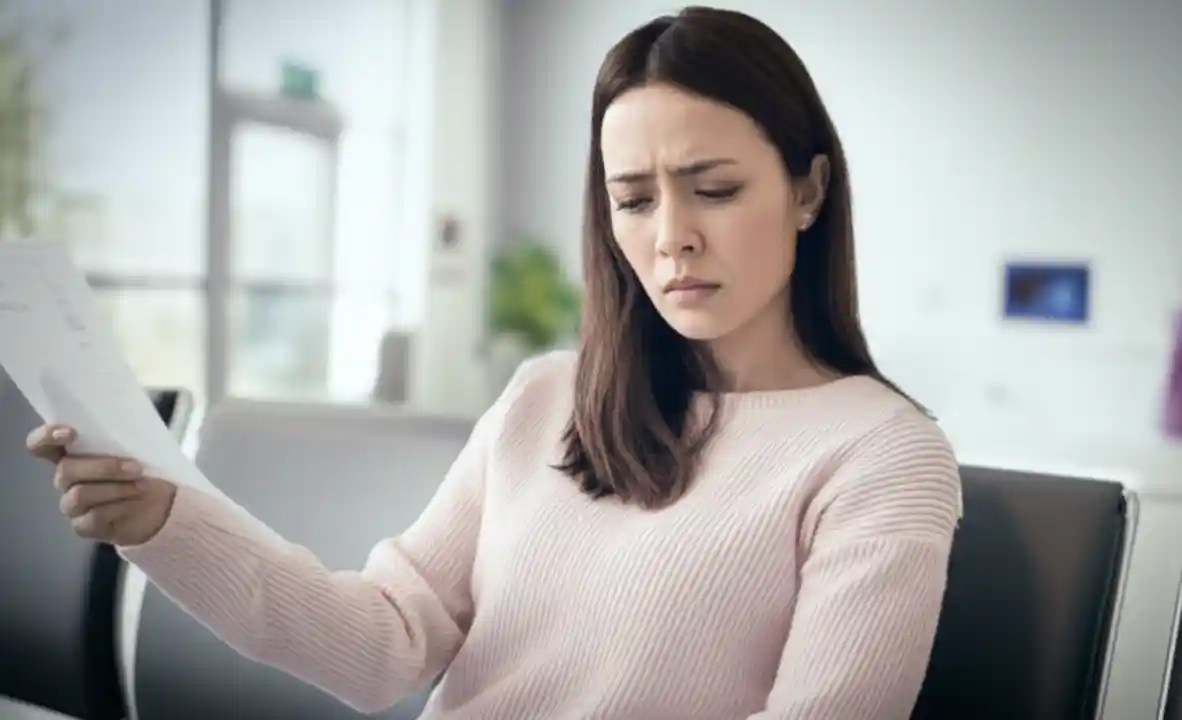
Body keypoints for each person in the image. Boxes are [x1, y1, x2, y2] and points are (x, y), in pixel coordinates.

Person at [27, 7, 962, 719]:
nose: (673, 237)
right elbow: (384, 644)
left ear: (808, 189)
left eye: (713, 189)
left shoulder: (882, 455)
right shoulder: (548, 395)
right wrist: (166, 520)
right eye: (633, 200)